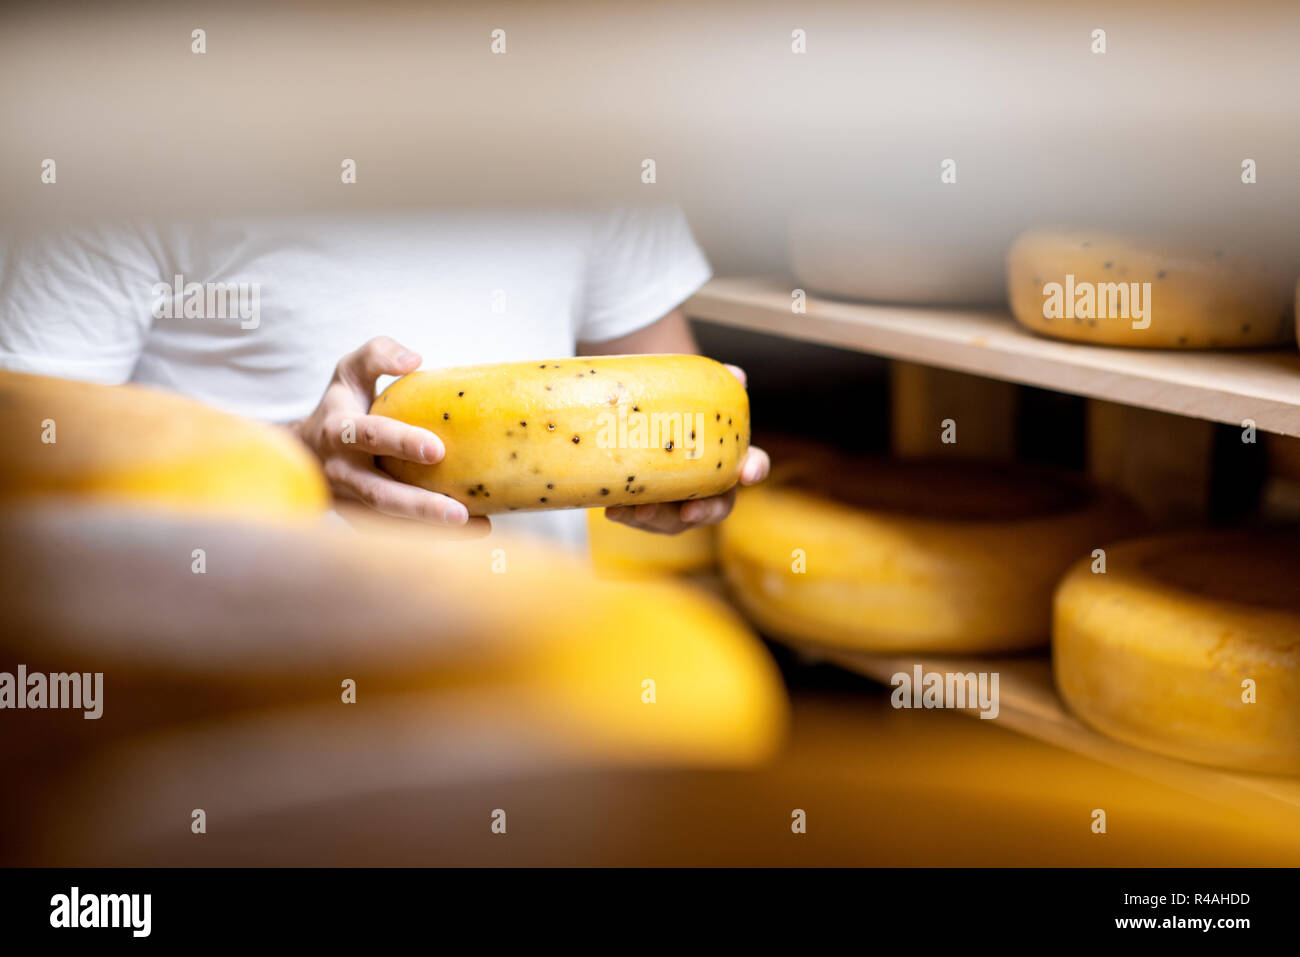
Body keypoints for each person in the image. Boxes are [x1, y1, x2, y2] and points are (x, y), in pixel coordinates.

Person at [0, 205, 769, 545]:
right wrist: (297, 458)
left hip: (541, 682)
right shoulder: (135, 134)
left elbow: (668, 380)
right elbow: (23, 478)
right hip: (240, 712)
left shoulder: (587, 121)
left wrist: (689, 476)